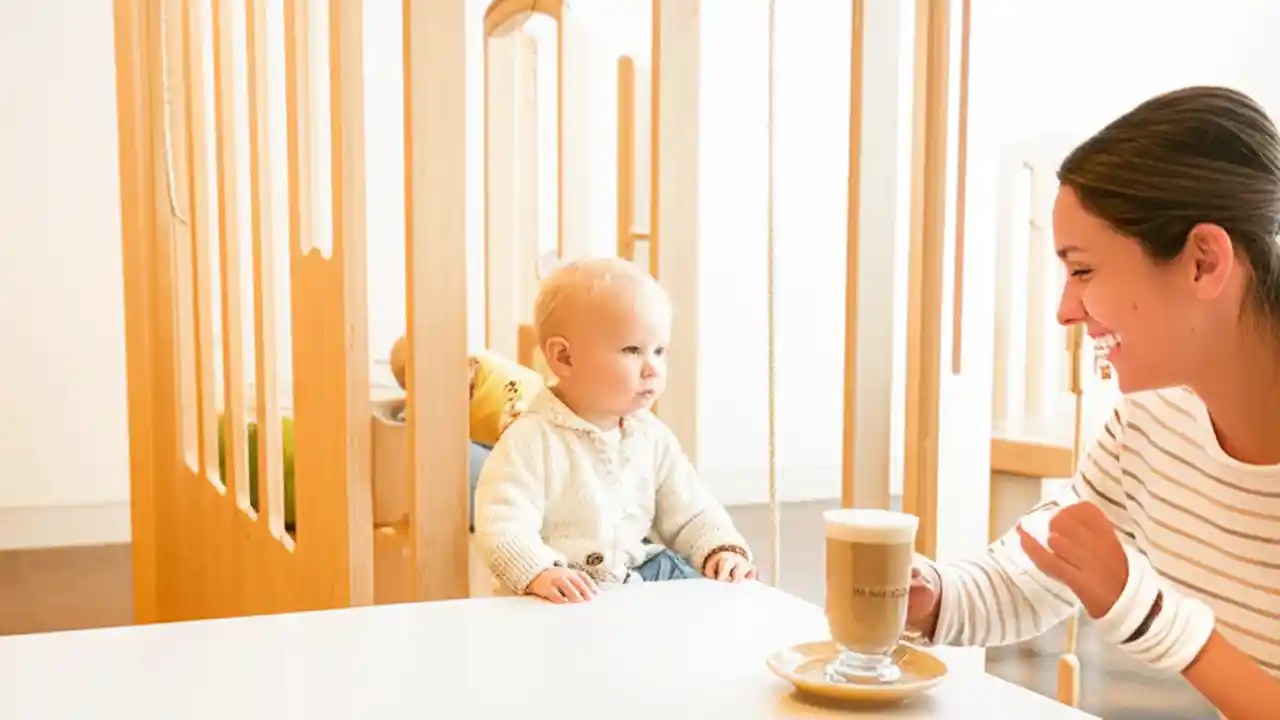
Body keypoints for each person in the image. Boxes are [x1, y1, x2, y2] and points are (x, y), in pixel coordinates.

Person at [906, 85, 1280, 718]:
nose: (1064, 310)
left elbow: (1127, 596)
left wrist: (1146, 613)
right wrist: (933, 597)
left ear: (1202, 261)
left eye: (1082, 270)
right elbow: (1043, 568)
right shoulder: (1152, 423)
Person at [474, 256, 756, 603]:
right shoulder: (531, 439)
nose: (653, 368)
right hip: (558, 590)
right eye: (632, 350)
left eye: (659, 351)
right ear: (564, 358)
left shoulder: (651, 436)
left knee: (717, 592)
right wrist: (538, 571)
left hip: (634, 574)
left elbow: (691, 510)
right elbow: (502, 523)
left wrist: (719, 547)